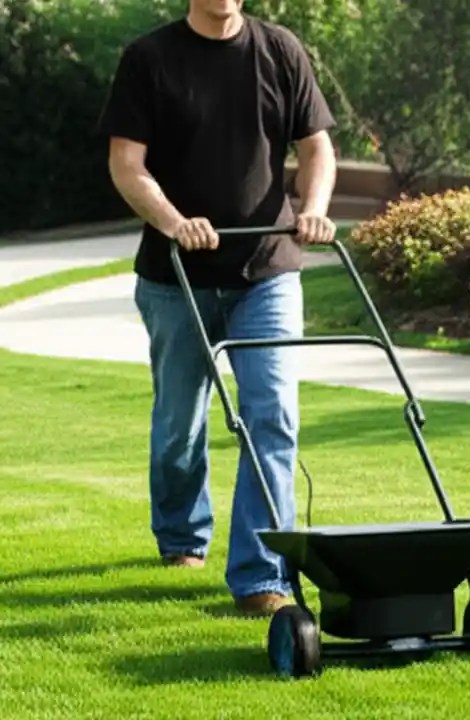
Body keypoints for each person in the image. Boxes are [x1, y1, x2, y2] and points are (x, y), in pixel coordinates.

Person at [98, 0, 338, 616]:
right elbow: (127, 164)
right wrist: (175, 223)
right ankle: (181, 533)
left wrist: (312, 206)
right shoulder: (150, 59)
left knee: (273, 415)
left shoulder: (280, 49)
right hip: (176, 277)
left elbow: (317, 149)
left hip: (268, 272)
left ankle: (262, 578)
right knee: (180, 423)